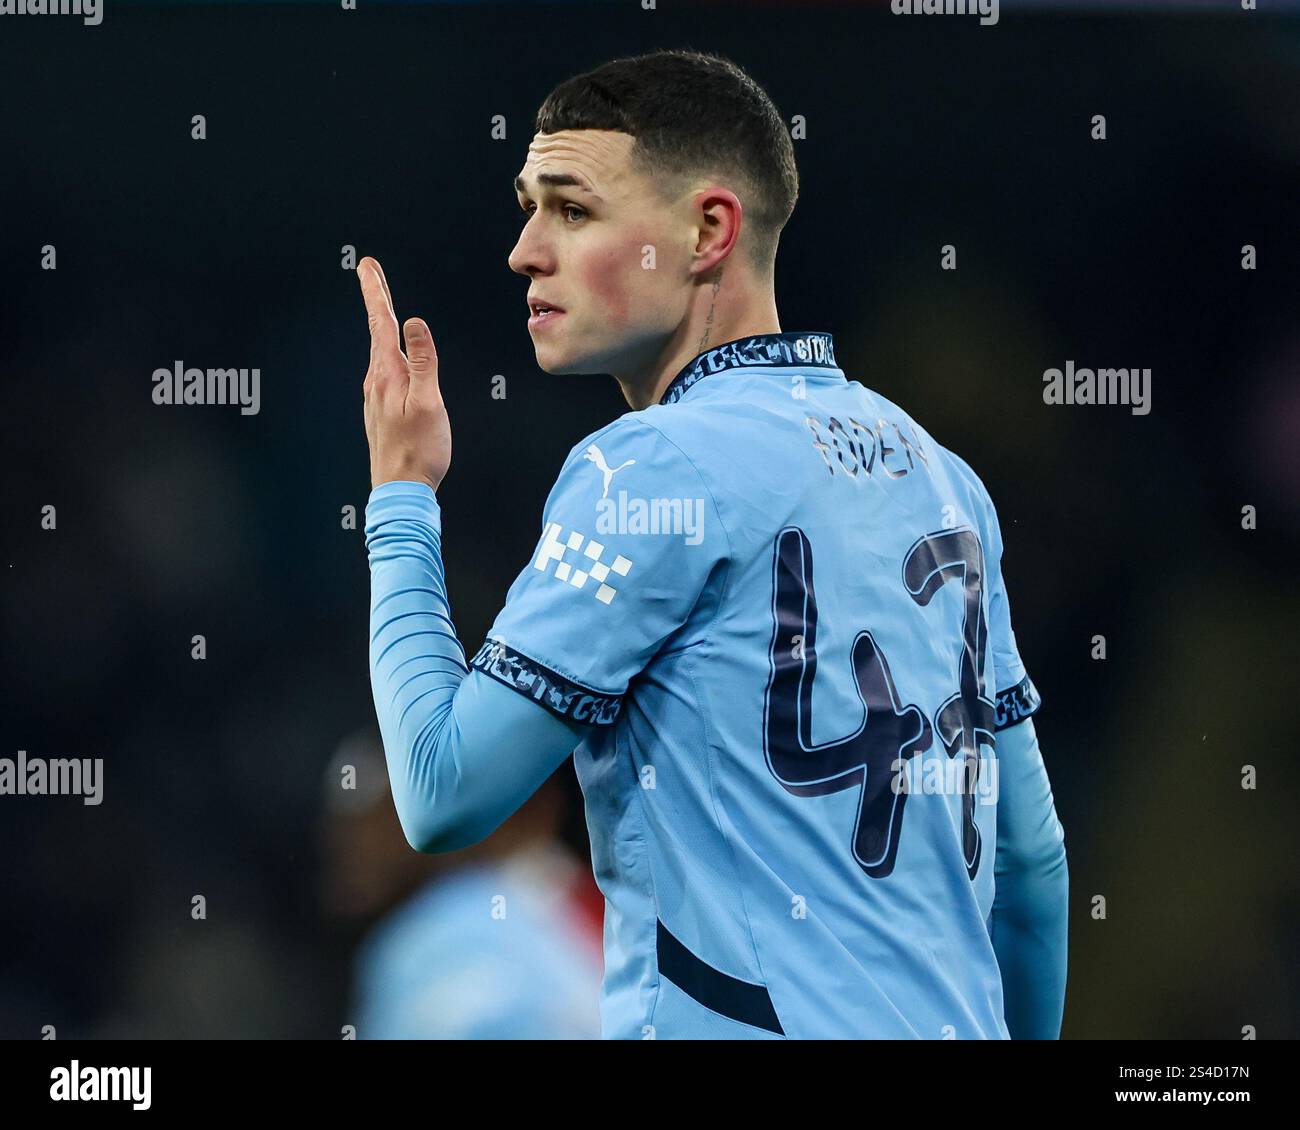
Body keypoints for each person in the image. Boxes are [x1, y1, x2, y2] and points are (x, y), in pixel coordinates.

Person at [358, 48, 1067, 1039]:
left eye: (570, 207)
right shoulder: (943, 477)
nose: (523, 248)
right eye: (527, 205)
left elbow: (439, 792)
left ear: (706, 231)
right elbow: (1028, 868)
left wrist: (400, 498)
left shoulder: (646, 468)